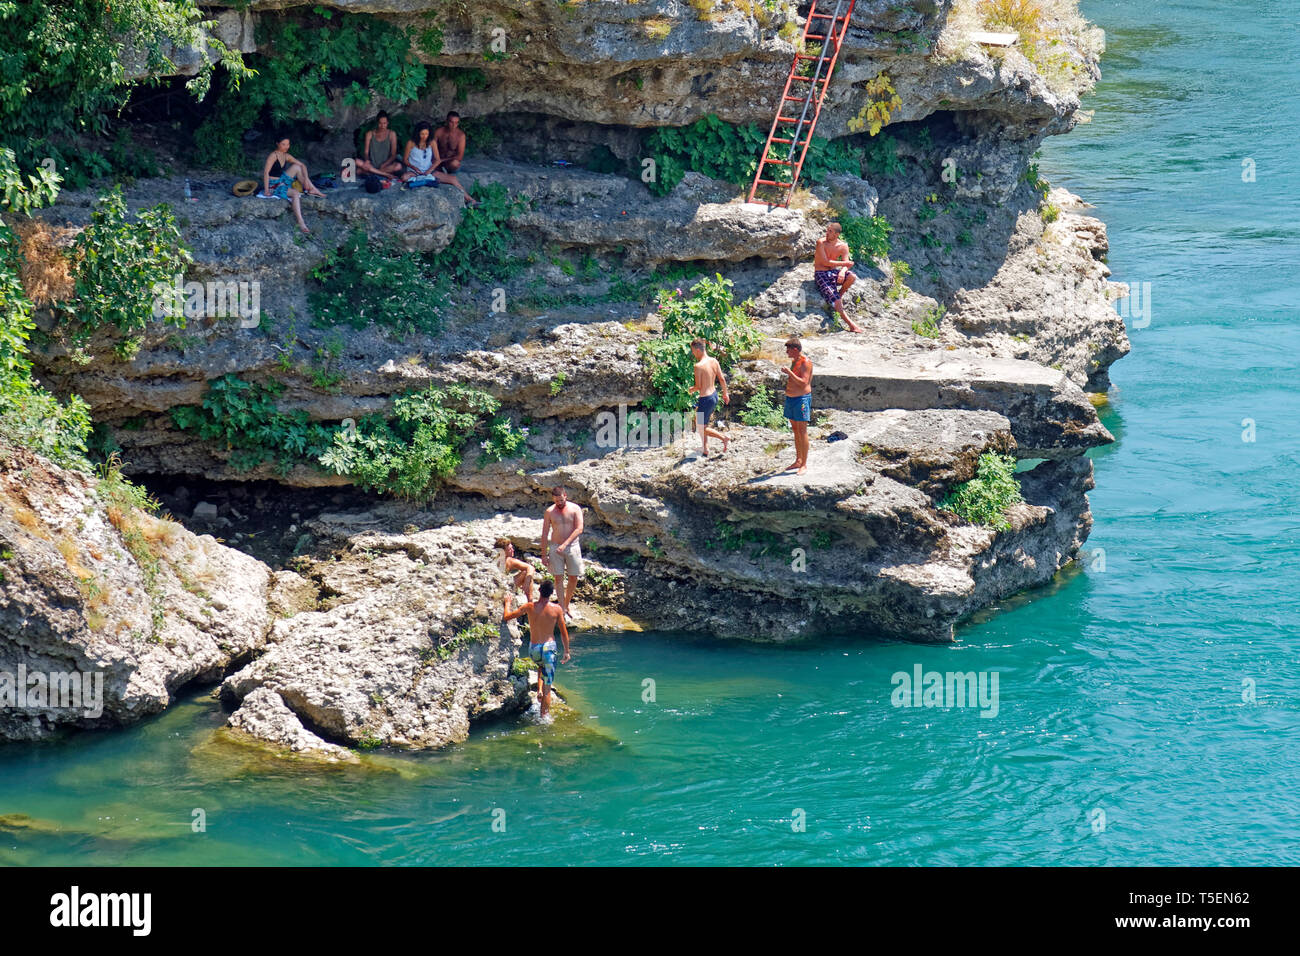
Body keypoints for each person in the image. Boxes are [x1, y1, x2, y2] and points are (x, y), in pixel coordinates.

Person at [504, 580, 570, 718]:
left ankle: (538, 691)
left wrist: (507, 603)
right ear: (552, 593)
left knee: (541, 665)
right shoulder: (557, 609)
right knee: (548, 688)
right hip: (549, 648)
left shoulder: (529, 606)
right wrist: (567, 652)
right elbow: (564, 633)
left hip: (534, 649)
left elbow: (507, 617)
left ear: (539, 590)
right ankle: (544, 717)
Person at [401, 121, 477, 205]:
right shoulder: (411, 143)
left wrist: (429, 170)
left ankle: (471, 200)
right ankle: (428, 180)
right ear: (417, 133)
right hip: (414, 172)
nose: (424, 136)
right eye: (422, 134)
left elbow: (438, 160)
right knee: (404, 177)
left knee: (453, 179)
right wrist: (415, 168)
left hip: (428, 171)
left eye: (426, 134)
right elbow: (405, 160)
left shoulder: (432, 142)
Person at [260, 135, 324, 234]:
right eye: (283, 144)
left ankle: (313, 189)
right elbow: (266, 173)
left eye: (288, 144)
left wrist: (306, 179)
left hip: (282, 180)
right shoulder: (273, 155)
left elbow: (302, 165)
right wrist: (267, 190)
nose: (286, 146)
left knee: (297, 167)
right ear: (277, 144)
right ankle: (301, 222)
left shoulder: (286, 156)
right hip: (273, 185)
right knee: (295, 193)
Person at [541, 485, 584, 621]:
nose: (559, 503)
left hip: (572, 546)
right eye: (556, 501)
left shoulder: (575, 508)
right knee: (558, 578)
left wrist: (565, 544)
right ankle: (562, 607)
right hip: (555, 547)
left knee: (573, 577)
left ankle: (566, 603)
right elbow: (545, 533)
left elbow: (579, 529)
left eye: (561, 500)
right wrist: (543, 554)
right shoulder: (549, 512)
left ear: (565, 495)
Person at [813, 222, 863, 333]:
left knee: (852, 277)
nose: (827, 233)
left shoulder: (843, 246)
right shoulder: (821, 243)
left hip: (833, 272)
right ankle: (851, 324)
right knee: (836, 300)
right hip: (820, 273)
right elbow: (825, 262)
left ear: (836, 234)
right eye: (827, 230)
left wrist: (842, 271)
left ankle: (839, 296)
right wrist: (844, 264)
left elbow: (846, 264)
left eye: (830, 231)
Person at [686, 338, 730, 457]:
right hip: (714, 396)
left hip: (705, 399)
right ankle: (705, 448)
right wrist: (725, 394)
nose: (693, 354)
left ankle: (723, 438)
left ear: (698, 350)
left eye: (693, 351)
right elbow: (721, 378)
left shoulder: (698, 366)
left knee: (701, 428)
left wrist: (691, 389)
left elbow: (698, 386)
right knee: (702, 423)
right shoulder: (714, 361)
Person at [782, 336, 814, 474]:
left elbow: (803, 382)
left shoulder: (805, 362)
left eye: (788, 350)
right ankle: (798, 460)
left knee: (802, 430)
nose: (786, 353)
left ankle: (804, 464)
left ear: (795, 349)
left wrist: (789, 373)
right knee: (795, 430)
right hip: (791, 399)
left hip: (801, 399)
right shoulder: (795, 361)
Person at [354, 111, 403, 178]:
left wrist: (385, 164)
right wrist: (367, 160)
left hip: (385, 165)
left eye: (384, 123)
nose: (382, 126)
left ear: (387, 123)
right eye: (380, 123)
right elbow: (366, 152)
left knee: (398, 166)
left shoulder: (391, 134)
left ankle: (372, 172)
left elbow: (393, 155)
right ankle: (384, 174)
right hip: (371, 164)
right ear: (377, 123)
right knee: (356, 161)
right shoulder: (370, 134)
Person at [495, 537, 535, 603]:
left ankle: (530, 601)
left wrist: (527, 582)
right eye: (510, 549)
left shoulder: (507, 560)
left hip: (505, 584)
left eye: (512, 548)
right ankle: (530, 602)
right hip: (502, 586)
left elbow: (530, 568)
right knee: (526, 574)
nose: (513, 550)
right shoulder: (503, 560)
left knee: (526, 573)